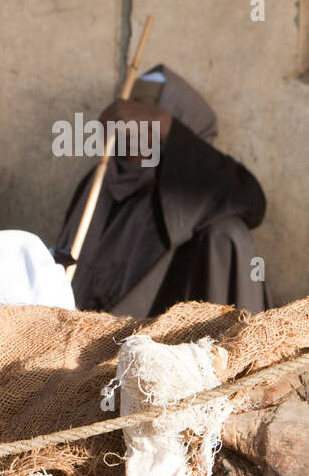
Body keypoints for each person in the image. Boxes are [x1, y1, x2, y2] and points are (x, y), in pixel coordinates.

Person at [55, 65, 269, 317]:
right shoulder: (101, 182)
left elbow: (252, 202)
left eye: (145, 122)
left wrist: (165, 125)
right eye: (128, 119)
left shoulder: (193, 189)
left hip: (169, 334)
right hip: (95, 330)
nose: (131, 131)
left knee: (229, 234)